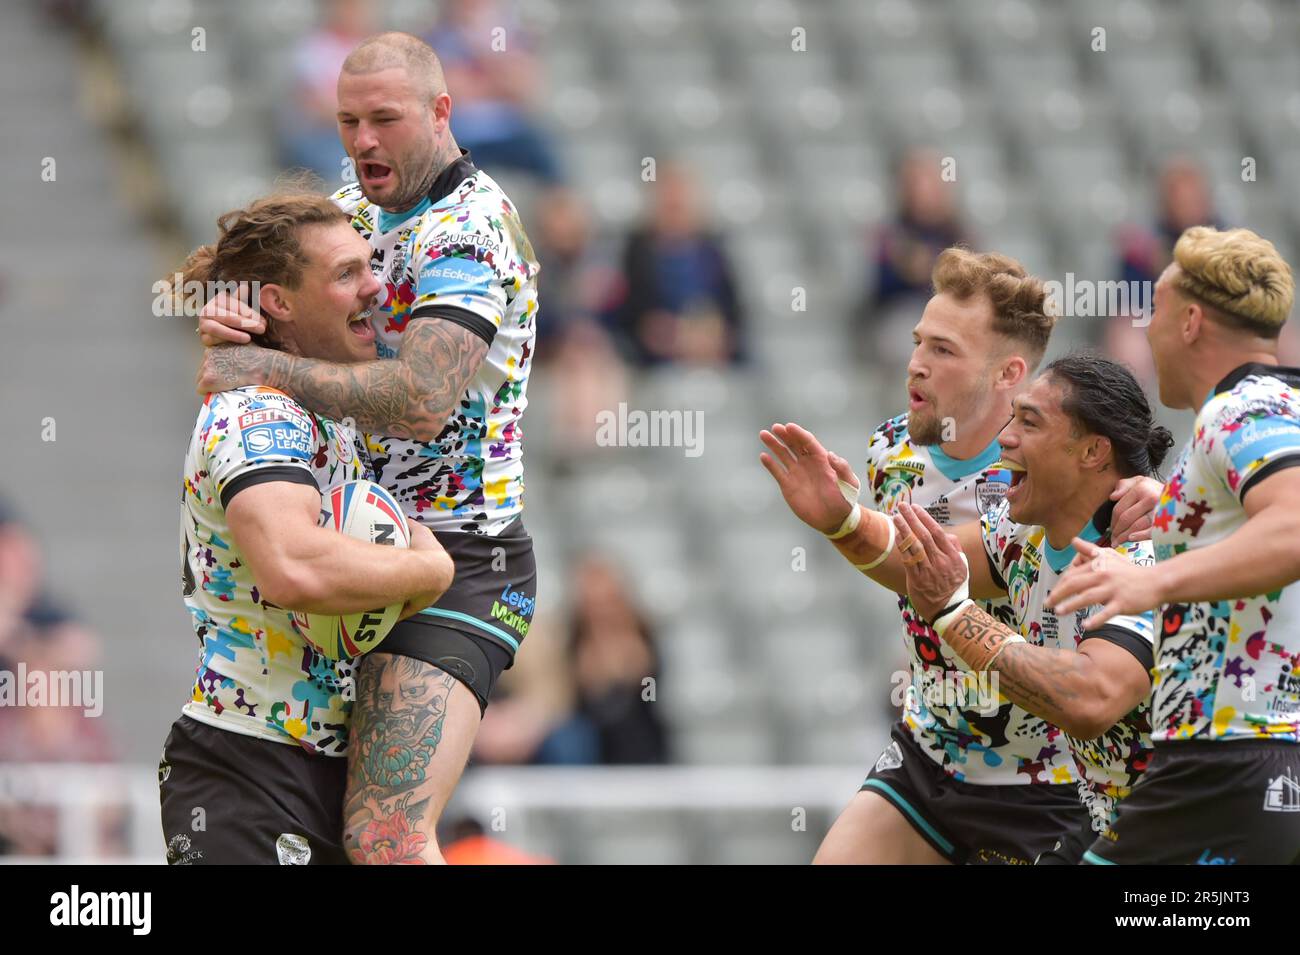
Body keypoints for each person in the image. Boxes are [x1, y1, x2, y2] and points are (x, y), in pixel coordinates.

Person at [196, 33, 539, 864]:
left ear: (441, 112)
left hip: (460, 554)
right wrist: (234, 320)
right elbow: (246, 300)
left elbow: (420, 402)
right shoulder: (352, 205)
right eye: (349, 120)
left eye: (385, 119)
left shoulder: (469, 232)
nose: (362, 140)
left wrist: (264, 363)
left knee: (387, 837)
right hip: (343, 533)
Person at [760, 247, 1158, 864]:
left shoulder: (1065, 489)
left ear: (1008, 373)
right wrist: (842, 521)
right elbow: (914, 563)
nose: (915, 363)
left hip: (1047, 783)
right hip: (931, 757)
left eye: (943, 350)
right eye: (920, 342)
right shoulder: (892, 452)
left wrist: (1163, 498)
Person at [159, 189, 455, 865]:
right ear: (280, 303)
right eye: (346, 273)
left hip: (323, 770)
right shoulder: (259, 416)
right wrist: (429, 571)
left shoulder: (323, 416)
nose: (375, 287)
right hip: (248, 771)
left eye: (369, 267)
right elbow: (293, 567)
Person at [1052, 226, 1300, 864]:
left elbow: (1295, 525)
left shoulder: (1240, 411)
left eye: (1153, 309)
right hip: (1244, 760)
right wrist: (1185, 518)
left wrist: (1150, 581)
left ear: (1190, 321)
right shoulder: (1278, 405)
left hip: (1224, 762)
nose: (1147, 330)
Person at [881, 355, 1171, 863]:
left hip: (1191, 824)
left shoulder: (1143, 561)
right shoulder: (1019, 538)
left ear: (1093, 451)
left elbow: (1087, 701)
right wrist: (837, 518)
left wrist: (952, 614)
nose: (1005, 438)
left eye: (1028, 422)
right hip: (1112, 821)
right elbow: (918, 555)